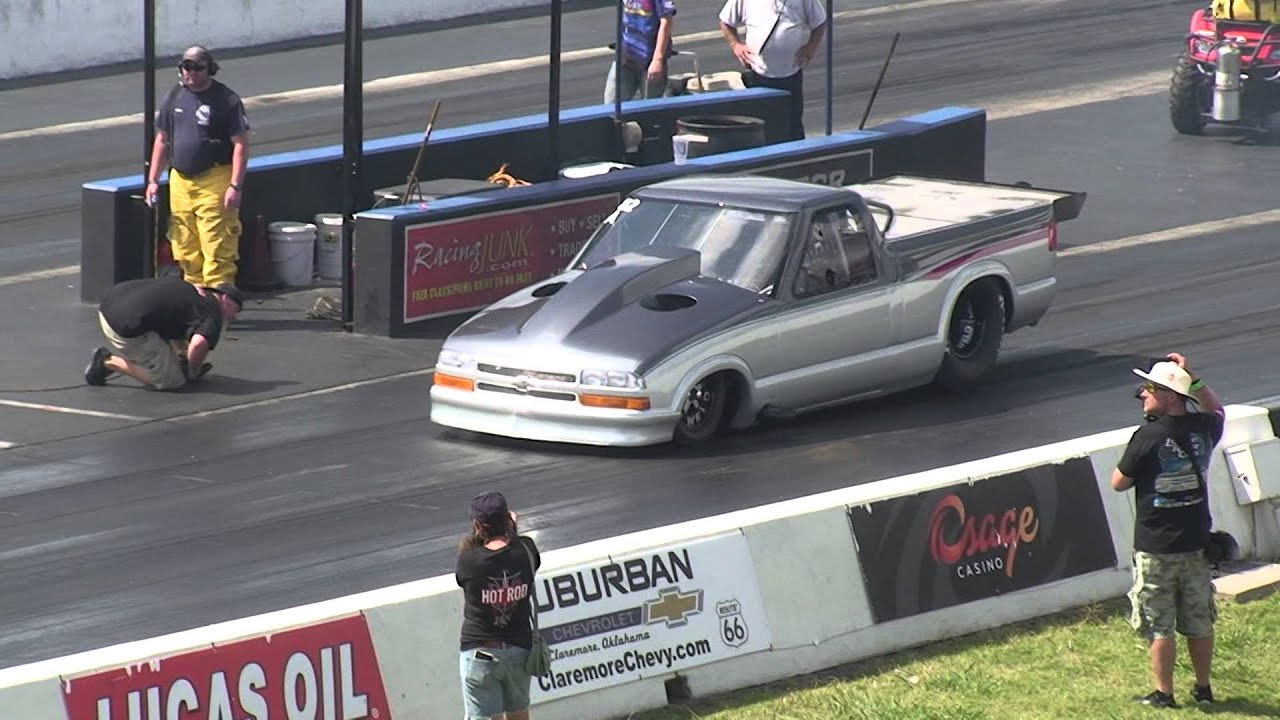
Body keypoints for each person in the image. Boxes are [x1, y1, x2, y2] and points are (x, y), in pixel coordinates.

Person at [1111, 352, 1226, 709]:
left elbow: (1118, 482)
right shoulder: (1205, 428)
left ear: (1169, 396)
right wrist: (1193, 377)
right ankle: (1203, 689)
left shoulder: (1147, 436)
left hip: (1156, 547)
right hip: (1198, 542)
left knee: (1159, 624)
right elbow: (1218, 410)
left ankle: (1164, 693)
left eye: (1149, 388)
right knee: (1199, 620)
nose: (1142, 394)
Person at [145, 45, 251, 289]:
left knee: (216, 242)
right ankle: (195, 293)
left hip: (215, 178)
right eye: (187, 67)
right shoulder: (174, 96)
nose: (191, 72)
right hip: (180, 180)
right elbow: (162, 140)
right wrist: (153, 181)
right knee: (184, 242)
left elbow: (241, 145)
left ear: (210, 69)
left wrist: (235, 185)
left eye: (198, 67)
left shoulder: (226, 100)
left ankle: (219, 298)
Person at [456, 491, 542, 720]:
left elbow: (462, 578)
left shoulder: (469, 560)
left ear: (477, 525)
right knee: (519, 713)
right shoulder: (526, 550)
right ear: (507, 519)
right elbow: (520, 551)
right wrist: (512, 530)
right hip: (518, 648)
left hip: (480, 650)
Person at [84, 277, 243, 390]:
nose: (232, 318)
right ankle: (106, 361)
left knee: (174, 322)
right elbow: (198, 344)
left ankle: (180, 361)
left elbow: (178, 321)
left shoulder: (193, 289)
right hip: (122, 325)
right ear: (226, 300)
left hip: (112, 301)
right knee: (170, 381)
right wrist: (193, 371)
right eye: (234, 312)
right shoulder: (213, 316)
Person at [718, 0, 828, 141]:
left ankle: (795, 153)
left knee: (792, 126)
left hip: (790, 76)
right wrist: (736, 45)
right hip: (758, 76)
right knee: (760, 127)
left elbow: (820, 22)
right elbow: (726, 21)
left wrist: (811, 47)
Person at [605, 0, 677, 104]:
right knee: (611, 105)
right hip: (626, 57)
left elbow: (666, 21)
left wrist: (657, 60)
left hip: (649, 60)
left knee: (651, 107)